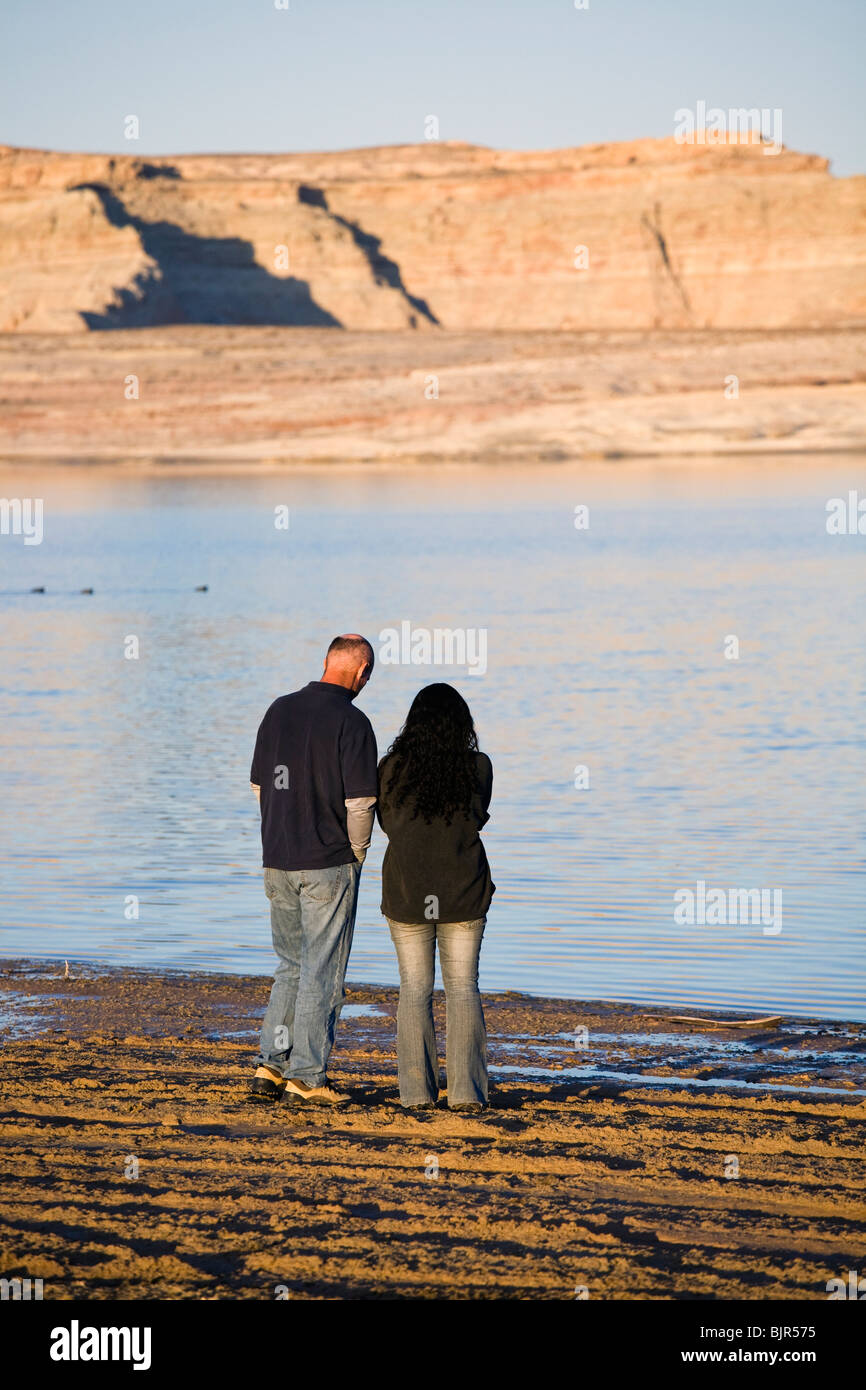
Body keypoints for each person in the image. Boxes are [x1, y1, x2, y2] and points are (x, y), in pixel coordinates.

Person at [248, 634, 377, 1106]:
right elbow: (360, 803)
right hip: (327, 862)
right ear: (361, 673)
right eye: (367, 676)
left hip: (277, 857)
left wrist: (278, 835)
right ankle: (307, 1077)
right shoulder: (354, 721)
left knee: (290, 967)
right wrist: (357, 853)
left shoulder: (278, 709)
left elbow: (260, 787)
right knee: (322, 971)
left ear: (326, 662)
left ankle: (270, 1066)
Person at [377, 683, 494, 1113]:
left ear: (413, 724)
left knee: (414, 990)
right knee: (463, 989)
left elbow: (388, 825)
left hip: (408, 890)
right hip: (462, 889)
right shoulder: (477, 766)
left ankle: (415, 1095)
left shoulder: (390, 767)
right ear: (461, 724)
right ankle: (466, 1095)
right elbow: (478, 818)